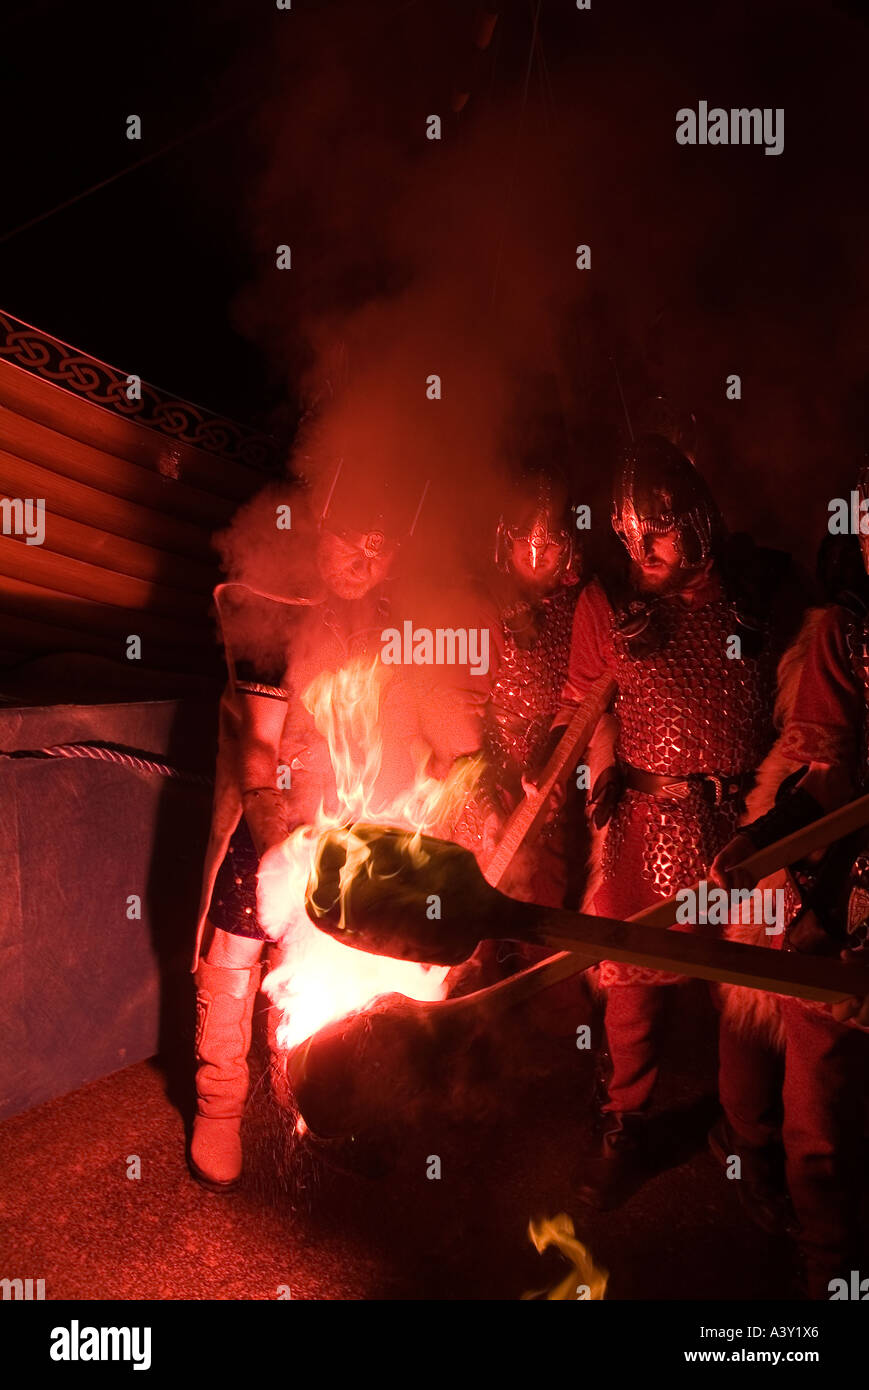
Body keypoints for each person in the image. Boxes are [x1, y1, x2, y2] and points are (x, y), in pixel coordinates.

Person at [189, 463, 489, 1190]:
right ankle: (217, 1105)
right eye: (350, 540)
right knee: (235, 958)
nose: (361, 559)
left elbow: (437, 721)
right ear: (320, 533)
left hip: (355, 832)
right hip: (274, 818)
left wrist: (467, 768)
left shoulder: (395, 623)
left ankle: (307, 1093)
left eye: (379, 546)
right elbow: (257, 748)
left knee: (325, 968)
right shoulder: (275, 616)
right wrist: (278, 841)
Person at [552, 433, 799, 1209]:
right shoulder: (608, 604)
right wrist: (582, 767)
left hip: (743, 825)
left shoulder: (761, 592)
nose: (639, 547)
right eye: (626, 533)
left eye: (655, 529)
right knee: (629, 989)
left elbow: (800, 706)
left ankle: (752, 1140)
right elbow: (580, 704)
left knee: (750, 997)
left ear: (697, 522)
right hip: (645, 817)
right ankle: (623, 1124)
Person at [710, 474, 869, 1297]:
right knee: (824, 1119)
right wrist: (763, 838)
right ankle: (828, 1271)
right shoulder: (846, 635)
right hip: (847, 902)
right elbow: (824, 776)